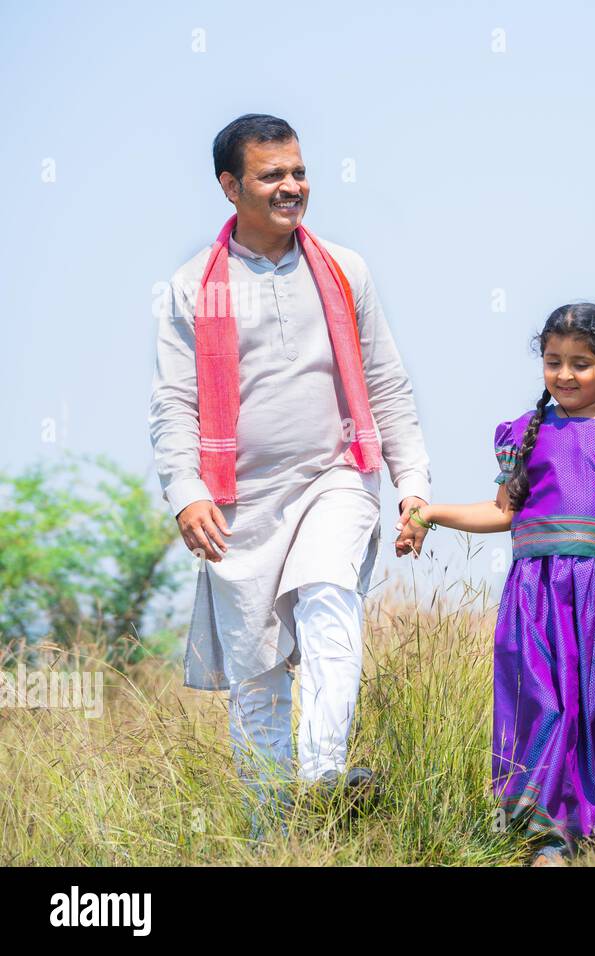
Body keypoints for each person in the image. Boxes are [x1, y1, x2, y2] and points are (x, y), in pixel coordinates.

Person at [148, 113, 433, 838]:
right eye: (272, 174)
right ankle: (277, 829)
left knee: (328, 594)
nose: (292, 186)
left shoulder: (344, 268)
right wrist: (185, 495)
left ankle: (323, 773)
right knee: (256, 675)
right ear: (230, 186)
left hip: (335, 476)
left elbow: (387, 384)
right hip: (237, 504)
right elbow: (173, 404)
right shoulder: (192, 288)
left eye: (298, 171)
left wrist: (412, 485)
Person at [406, 303, 595, 866]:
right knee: (542, 707)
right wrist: (431, 513)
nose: (565, 375)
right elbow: (503, 515)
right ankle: (543, 836)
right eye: (553, 361)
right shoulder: (525, 434)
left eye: (582, 364)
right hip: (535, 597)